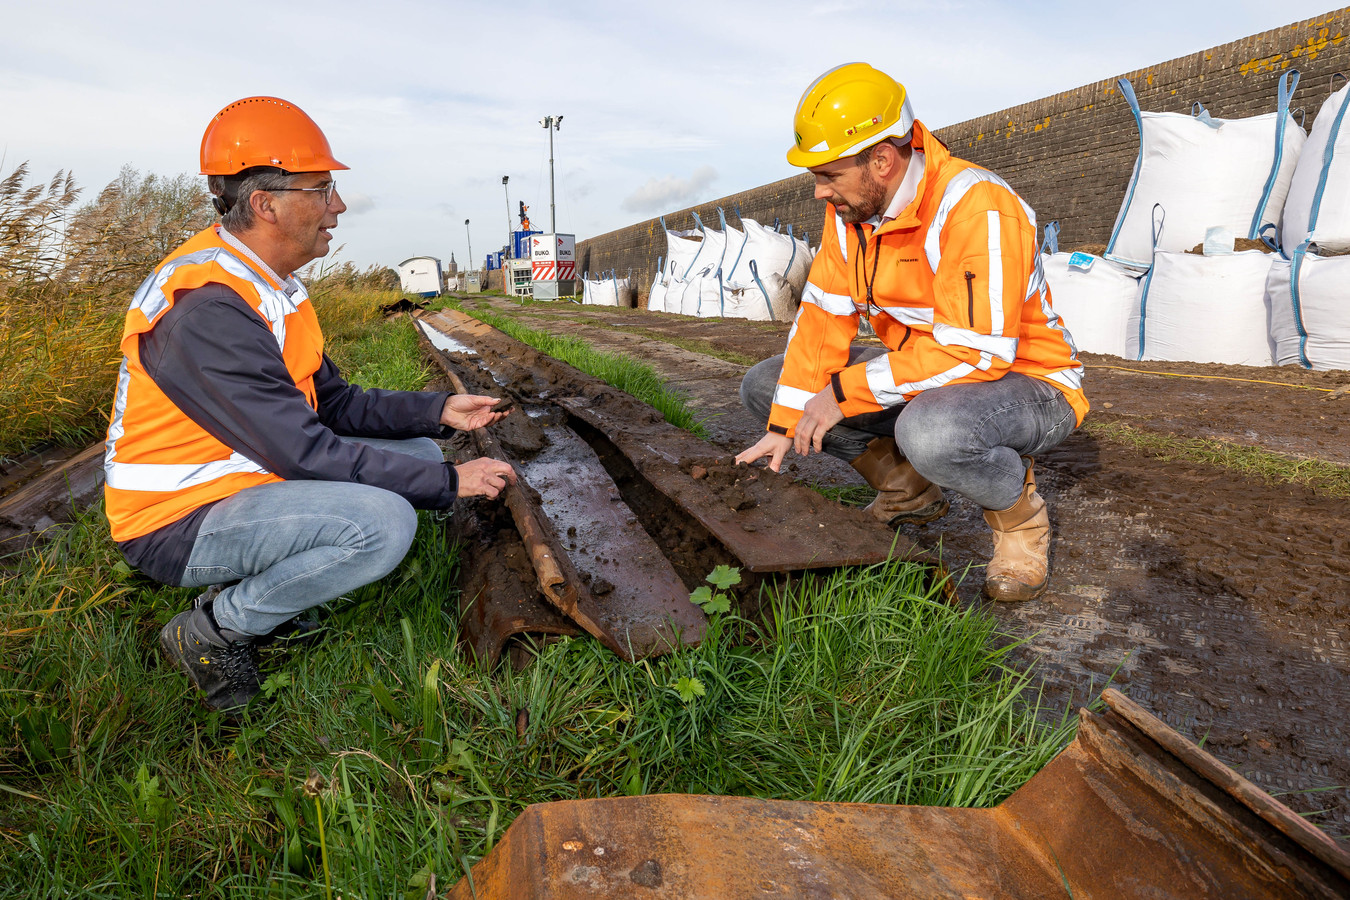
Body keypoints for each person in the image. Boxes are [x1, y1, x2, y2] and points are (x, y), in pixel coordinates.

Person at [103, 96, 517, 714]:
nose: (340, 207)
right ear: (267, 203)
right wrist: (449, 481)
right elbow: (302, 449)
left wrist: (438, 412)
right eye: (323, 190)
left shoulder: (271, 286)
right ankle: (217, 627)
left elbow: (335, 404)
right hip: (174, 520)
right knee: (383, 524)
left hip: (237, 480)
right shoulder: (209, 309)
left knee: (417, 450)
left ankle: (266, 584)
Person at [735, 63, 1088, 602]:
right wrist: (786, 423)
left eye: (828, 175)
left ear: (881, 160)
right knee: (768, 384)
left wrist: (840, 394)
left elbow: (977, 352)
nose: (817, 193)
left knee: (930, 432)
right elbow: (823, 318)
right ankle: (908, 490)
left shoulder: (976, 206)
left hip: (1028, 381)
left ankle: (1019, 522)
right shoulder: (851, 217)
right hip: (937, 373)